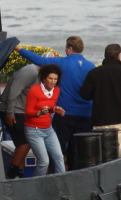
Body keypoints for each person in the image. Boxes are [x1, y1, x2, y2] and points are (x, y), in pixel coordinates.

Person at [17, 37, 96, 168]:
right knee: (78, 152)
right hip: (86, 115)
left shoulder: (62, 62)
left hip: (64, 114)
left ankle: (54, 177)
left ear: (70, 49)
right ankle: (76, 177)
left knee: (56, 151)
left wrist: (18, 48)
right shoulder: (91, 66)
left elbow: (39, 60)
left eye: (66, 48)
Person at [79, 43, 121, 158]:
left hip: (100, 120)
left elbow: (84, 94)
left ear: (104, 55)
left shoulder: (94, 73)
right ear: (119, 56)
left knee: (101, 153)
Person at [23, 63, 67, 175]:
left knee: (59, 157)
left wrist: (54, 109)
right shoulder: (34, 90)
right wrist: (39, 113)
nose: (53, 82)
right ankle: (37, 185)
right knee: (44, 161)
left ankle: (62, 182)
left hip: (48, 129)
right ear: (44, 78)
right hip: (34, 129)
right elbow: (28, 112)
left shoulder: (56, 90)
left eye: (55, 79)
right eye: (50, 78)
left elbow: (49, 108)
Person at [0, 60, 41, 178]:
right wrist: (9, 113)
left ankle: (19, 173)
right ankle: (12, 174)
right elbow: (13, 92)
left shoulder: (41, 75)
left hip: (21, 110)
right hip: (13, 110)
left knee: (20, 143)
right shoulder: (30, 72)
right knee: (25, 142)